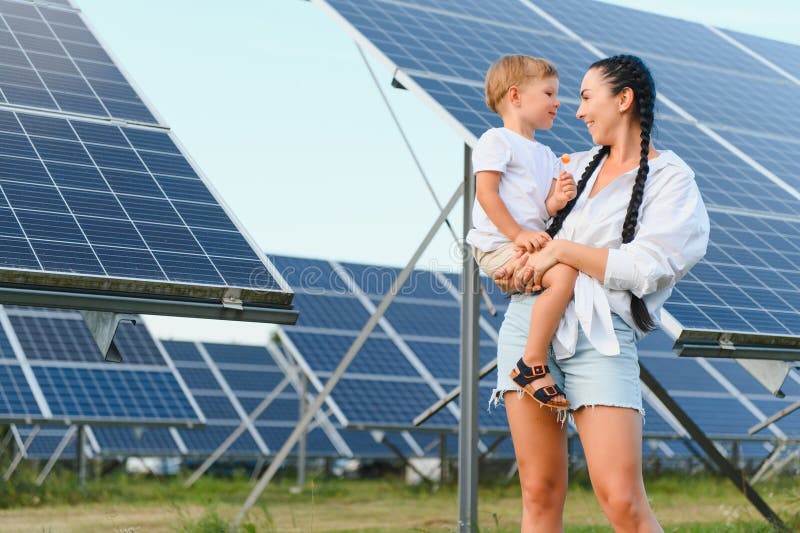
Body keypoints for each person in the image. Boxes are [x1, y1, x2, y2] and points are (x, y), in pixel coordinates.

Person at [492, 54, 710, 532]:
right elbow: (524, 230)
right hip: (529, 324)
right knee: (539, 492)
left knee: (622, 499)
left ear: (624, 99)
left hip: (602, 335)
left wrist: (563, 252)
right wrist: (516, 267)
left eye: (587, 97)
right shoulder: (572, 166)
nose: (577, 111)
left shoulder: (672, 180)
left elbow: (650, 267)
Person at [466, 54, 578, 411]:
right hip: (498, 243)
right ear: (515, 96)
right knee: (564, 275)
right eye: (548, 93)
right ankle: (531, 362)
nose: (557, 102)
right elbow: (486, 194)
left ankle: (534, 349)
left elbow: (539, 209)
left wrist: (556, 201)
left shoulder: (546, 154)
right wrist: (517, 235)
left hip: (524, 245)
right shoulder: (496, 140)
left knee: (562, 273)